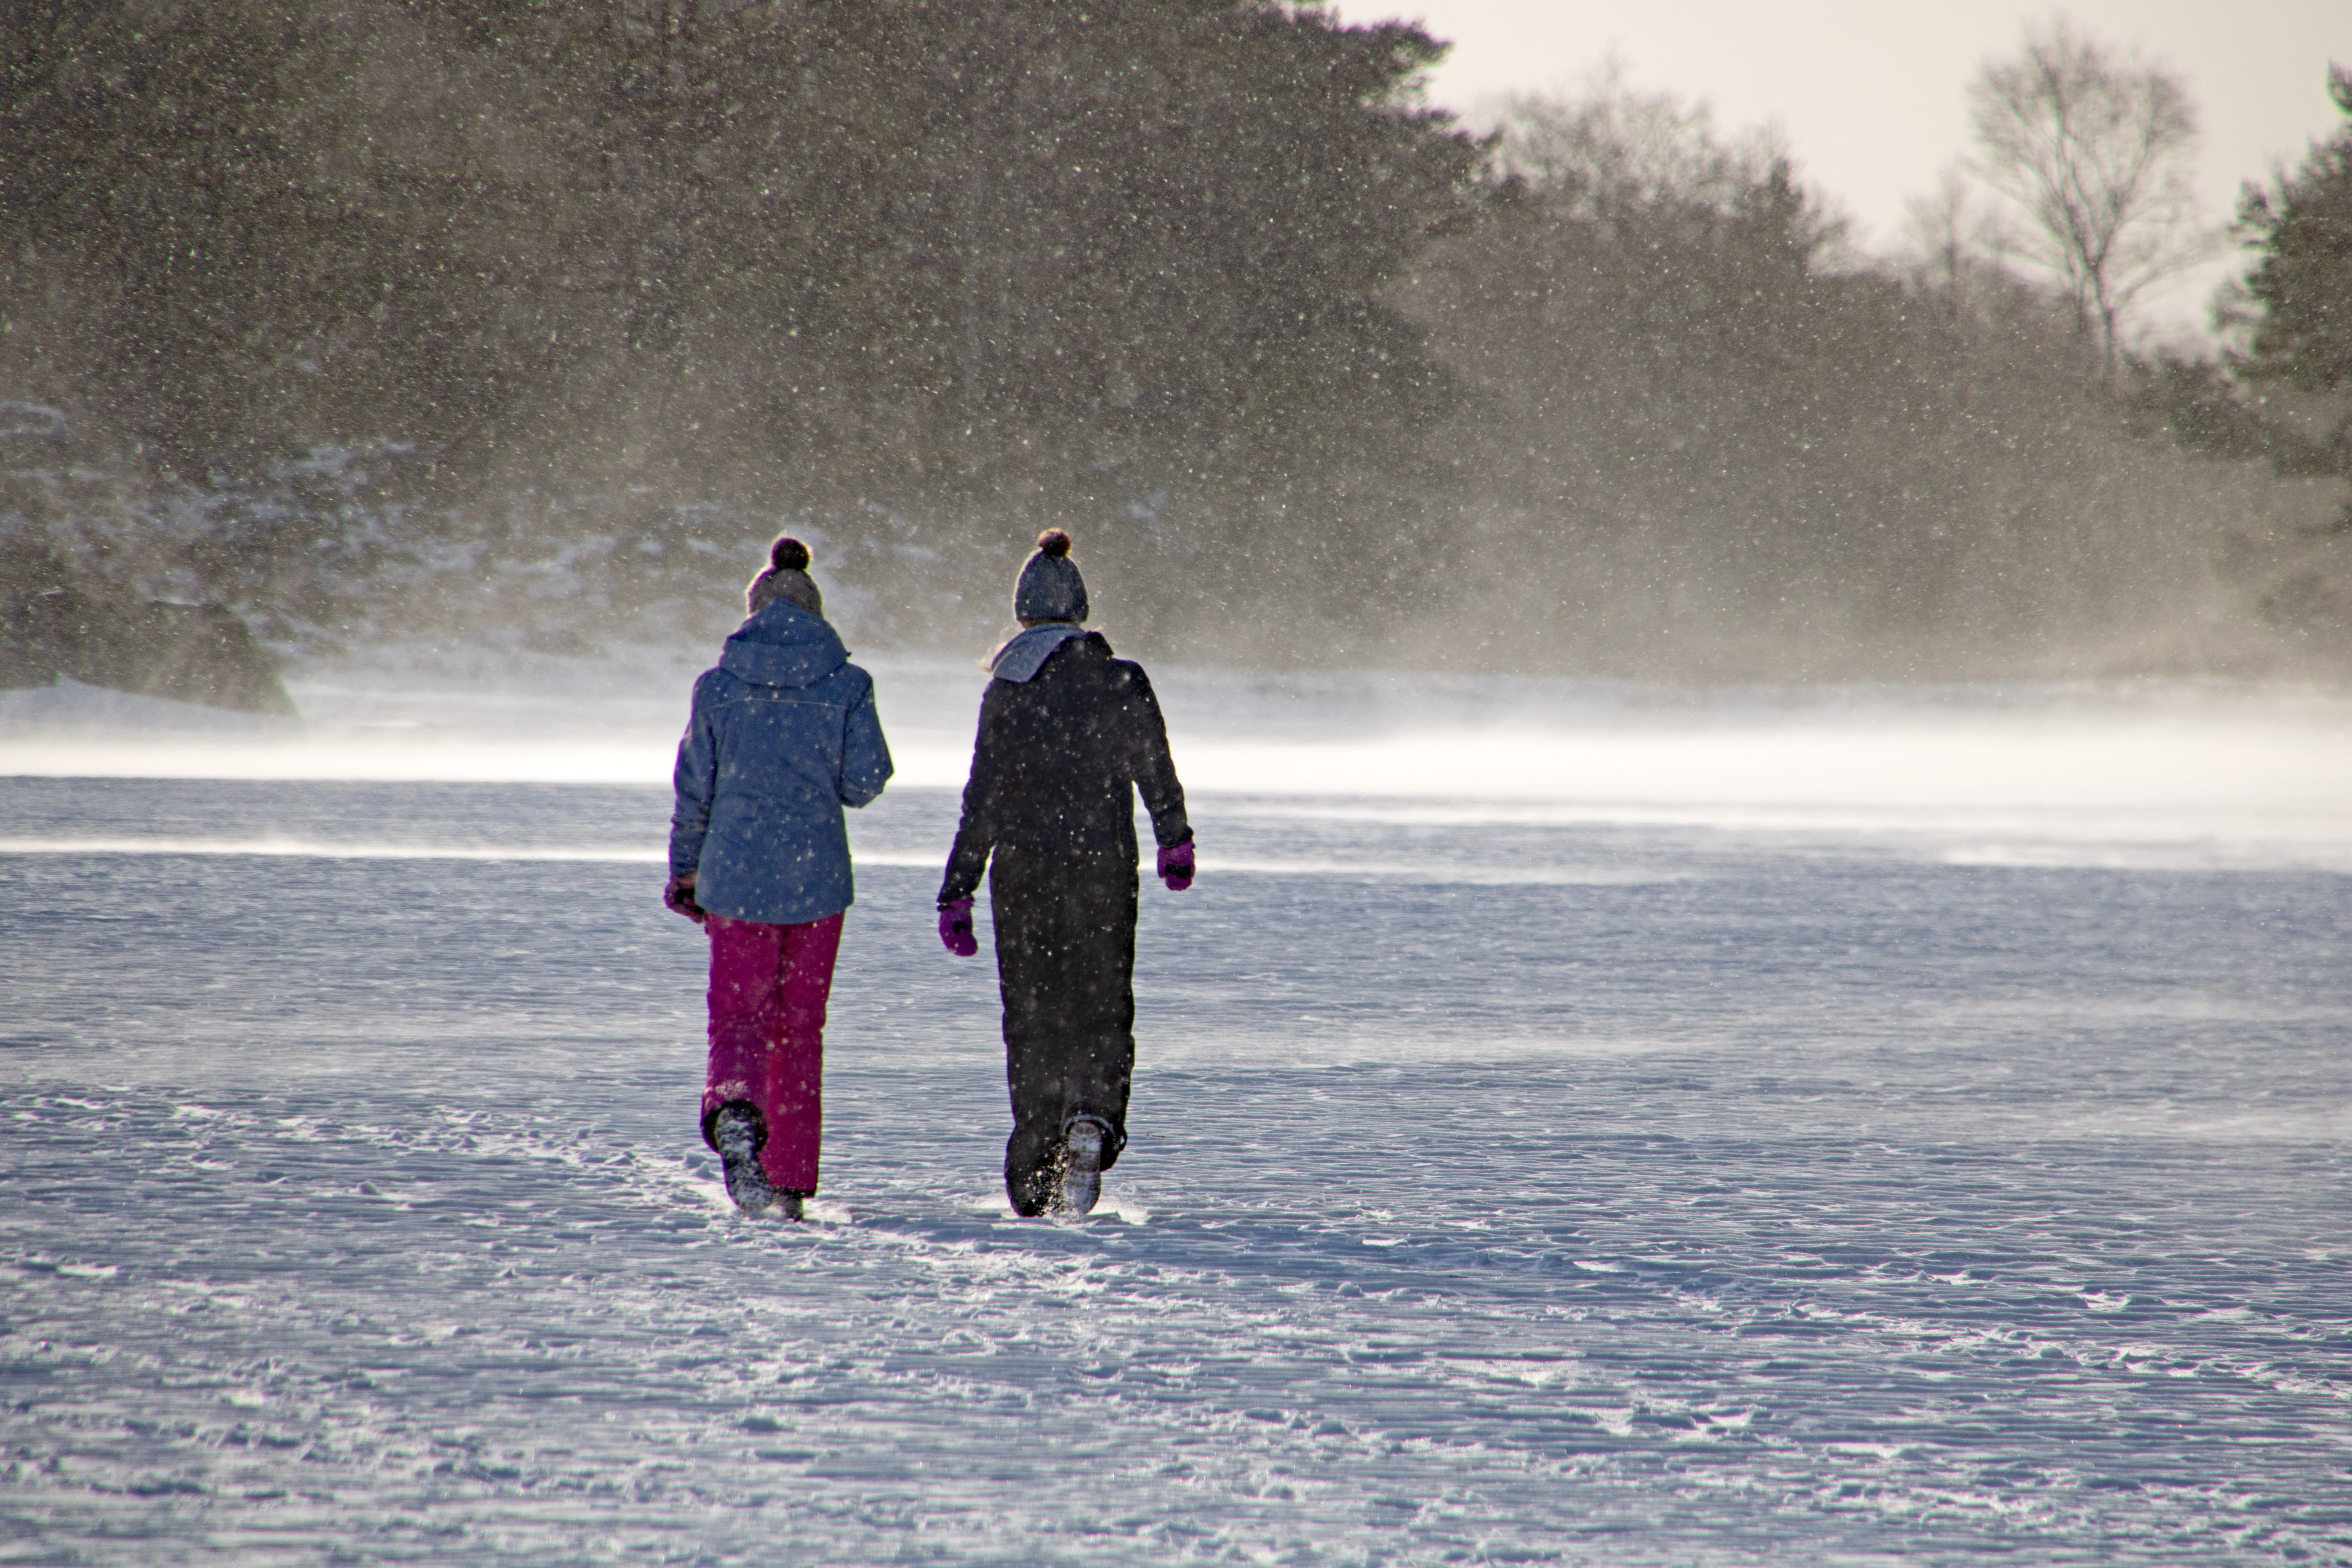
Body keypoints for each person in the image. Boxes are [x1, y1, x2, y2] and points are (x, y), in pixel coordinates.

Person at [937, 528, 1194, 1217]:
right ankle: (1090, 1118)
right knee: (1100, 1003)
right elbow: (1154, 764)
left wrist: (958, 889)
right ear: (1080, 611)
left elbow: (984, 798)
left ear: (1023, 614)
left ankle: (1037, 1165)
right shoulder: (1121, 680)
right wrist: (1174, 837)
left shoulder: (1007, 689)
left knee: (1034, 1015)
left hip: (1024, 872)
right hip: (1102, 868)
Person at [666, 536, 892, 1219]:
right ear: (817, 613)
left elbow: (694, 788)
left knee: (740, 1016)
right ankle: (788, 1179)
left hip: (735, 878)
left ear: (753, 611)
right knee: (800, 1026)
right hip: (817, 880)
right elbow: (864, 782)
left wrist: (686, 869)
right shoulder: (848, 684)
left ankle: (736, 1108)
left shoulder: (718, 687)